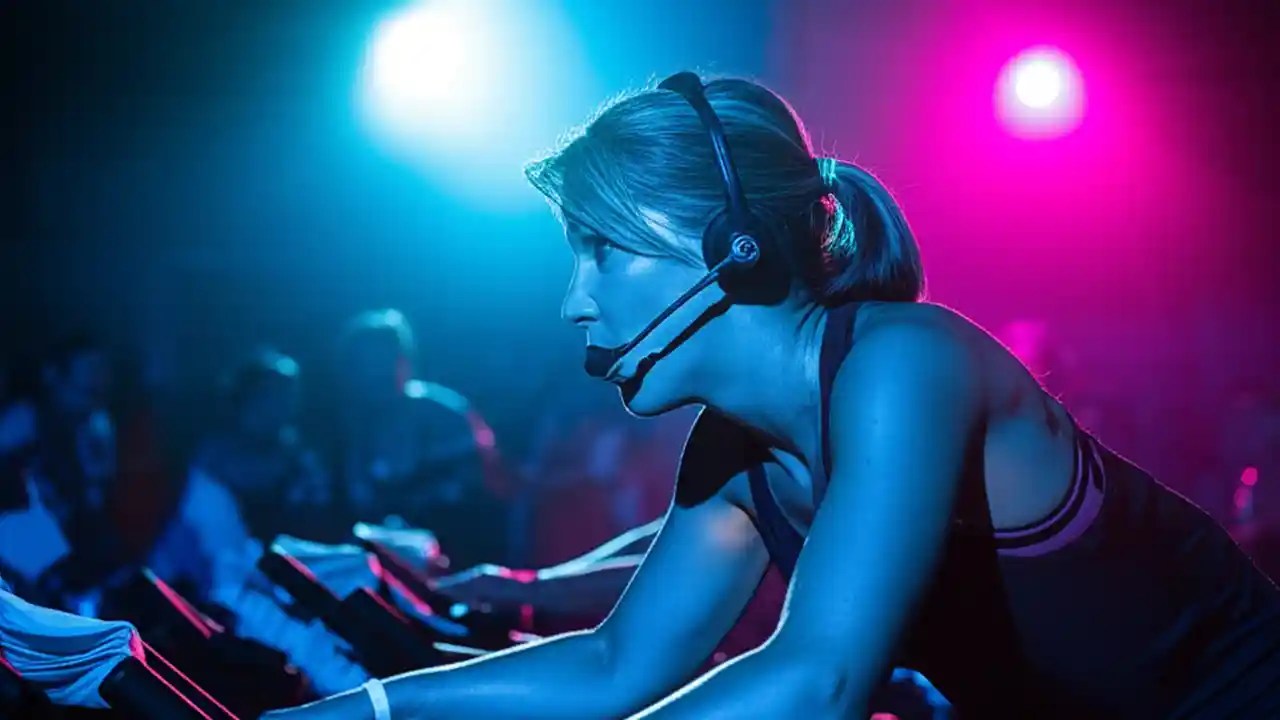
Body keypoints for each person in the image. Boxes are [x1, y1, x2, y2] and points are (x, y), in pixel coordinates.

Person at [263, 72, 1280, 719]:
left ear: (727, 249)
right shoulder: (732, 451)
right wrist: (360, 710)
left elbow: (818, 677)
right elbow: (616, 662)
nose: (573, 301)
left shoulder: (900, 366)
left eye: (600, 252)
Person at [334, 309, 506, 567]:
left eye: (383, 357)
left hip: (446, 561)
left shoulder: (441, 413)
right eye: (364, 360)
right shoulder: (354, 424)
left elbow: (471, 488)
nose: (374, 370)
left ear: (403, 358)